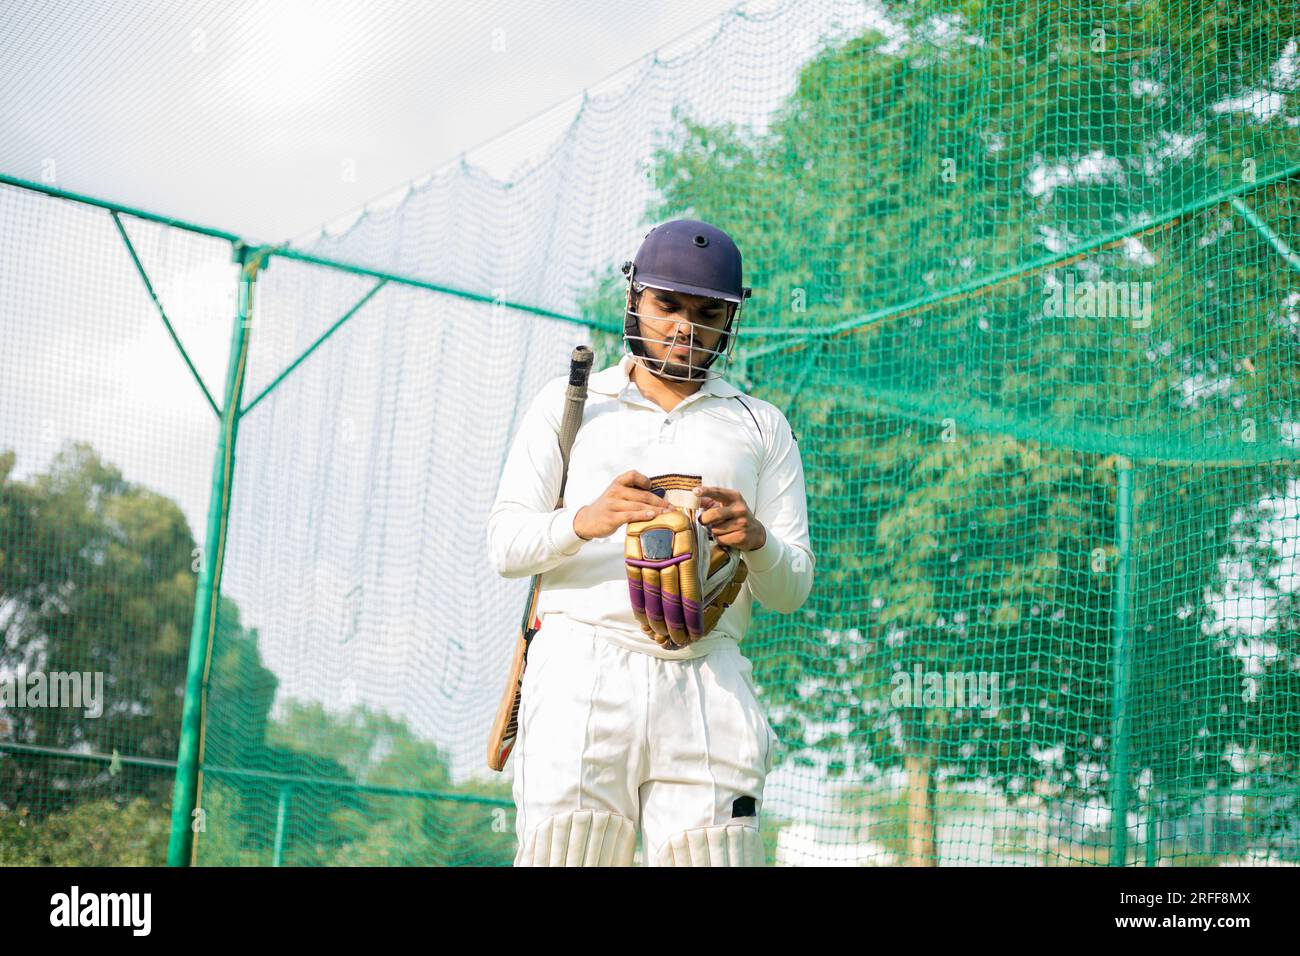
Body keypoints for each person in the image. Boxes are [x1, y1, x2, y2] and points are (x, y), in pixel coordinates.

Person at [486, 218, 815, 866]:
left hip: (709, 678)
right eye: (668, 304)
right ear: (634, 297)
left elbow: (791, 588)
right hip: (581, 669)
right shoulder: (572, 404)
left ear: (731, 319)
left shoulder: (761, 425)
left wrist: (756, 540)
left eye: (707, 312)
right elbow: (505, 545)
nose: (684, 327)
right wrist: (586, 518)